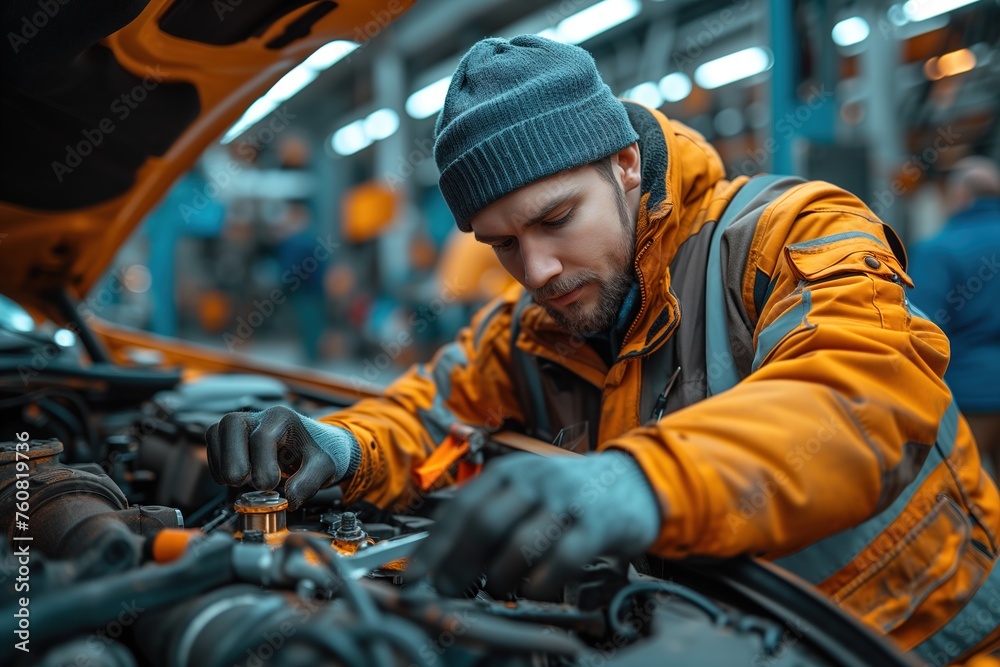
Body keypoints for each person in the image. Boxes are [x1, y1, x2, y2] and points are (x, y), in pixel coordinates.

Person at [206, 36, 1000, 664]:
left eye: (555, 219)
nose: (536, 270)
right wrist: (343, 445)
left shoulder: (788, 233)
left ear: (624, 163)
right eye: (504, 243)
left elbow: (861, 398)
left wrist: (639, 480)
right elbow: (434, 415)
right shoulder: (529, 329)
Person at [908, 157, 1000, 478]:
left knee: (965, 499)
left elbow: (924, 329)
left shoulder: (939, 250)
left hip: (969, 398)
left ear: (961, 196)